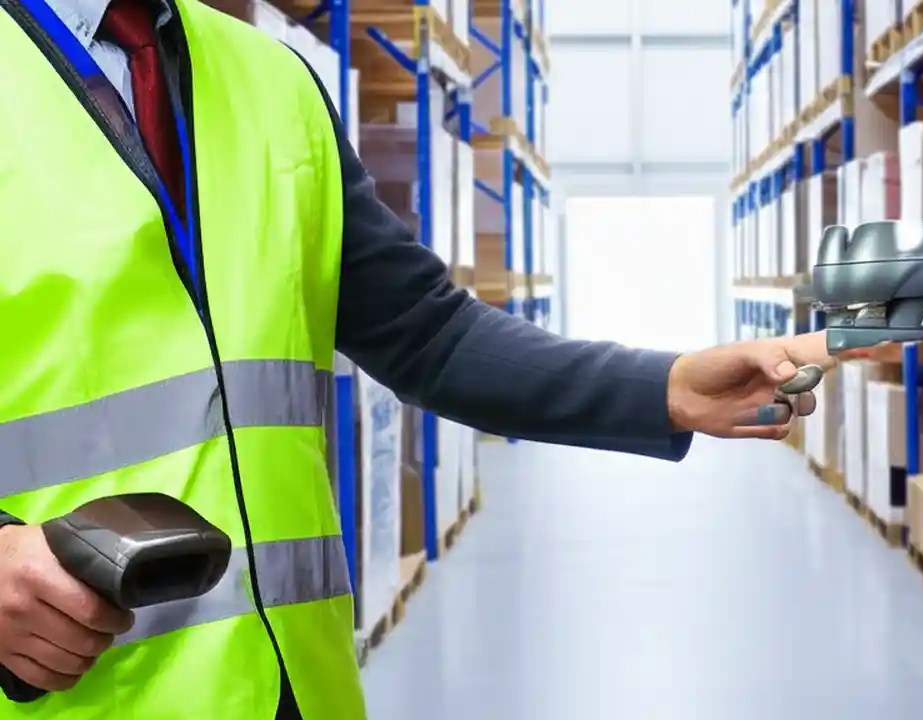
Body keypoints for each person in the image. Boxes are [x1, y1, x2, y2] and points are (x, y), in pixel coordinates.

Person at [0, 0, 873, 716]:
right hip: (75, 692)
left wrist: (668, 387)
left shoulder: (269, 79)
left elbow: (428, 332)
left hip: (292, 688)